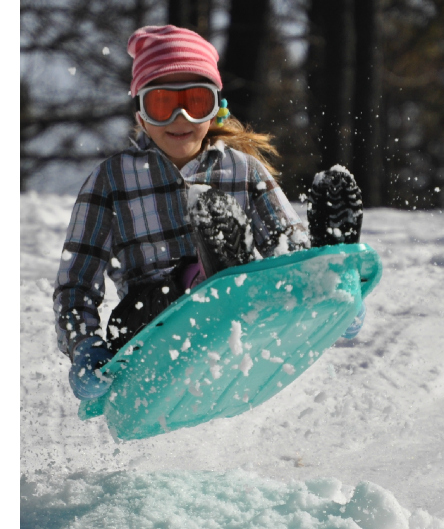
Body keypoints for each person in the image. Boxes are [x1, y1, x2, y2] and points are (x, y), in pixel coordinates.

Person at [55, 25, 365, 401]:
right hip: (152, 335)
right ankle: (206, 279)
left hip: (244, 320)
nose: (181, 117)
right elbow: (76, 283)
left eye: (196, 102)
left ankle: (333, 272)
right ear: (141, 116)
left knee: (283, 259)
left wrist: (333, 303)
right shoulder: (111, 180)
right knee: (134, 313)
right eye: (162, 104)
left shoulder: (243, 169)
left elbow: (284, 244)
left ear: (217, 108)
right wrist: (84, 346)